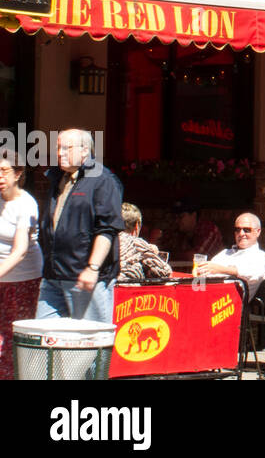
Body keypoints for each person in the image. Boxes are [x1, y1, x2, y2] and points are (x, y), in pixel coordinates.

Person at [37, 129, 123, 323]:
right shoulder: (57, 177)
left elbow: (107, 228)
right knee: (44, 338)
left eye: (67, 148)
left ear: (85, 151)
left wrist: (93, 268)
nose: (60, 153)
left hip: (84, 278)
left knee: (89, 342)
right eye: (58, 148)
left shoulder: (102, 180)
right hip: (53, 275)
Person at [0, 149, 43, 379]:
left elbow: (20, 251)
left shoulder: (26, 204)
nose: (0, 177)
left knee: (13, 334)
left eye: (4, 171)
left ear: (17, 174)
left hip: (21, 279)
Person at [194, 213, 265, 298]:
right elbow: (204, 275)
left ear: (257, 232)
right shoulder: (225, 253)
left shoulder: (259, 256)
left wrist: (222, 270)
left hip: (229, 304)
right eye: (238, 229)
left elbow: (254, 274)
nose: (241, 233)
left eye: (246, 230)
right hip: (207, 296)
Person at [118, 203, 172, 283]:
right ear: (137, 226)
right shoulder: (134, 243)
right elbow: (165, 272)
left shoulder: (104, 240)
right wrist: (153, 253)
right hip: (126, 292)